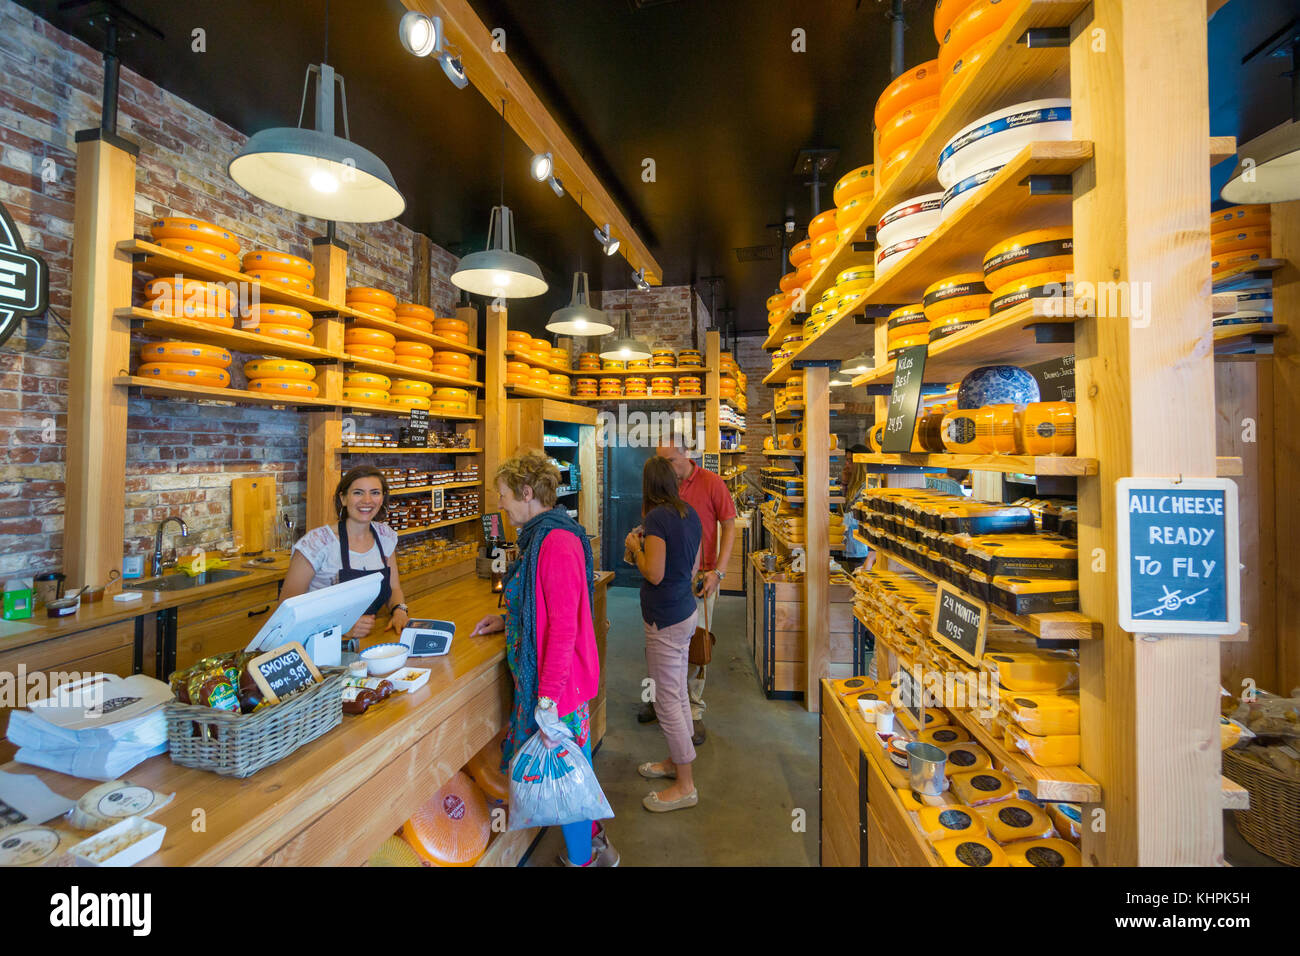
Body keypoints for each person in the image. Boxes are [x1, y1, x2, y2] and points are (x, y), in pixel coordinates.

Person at [469, 450, 616, 867]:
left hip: (561, 687)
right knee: (573, 764)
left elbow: (563, 628)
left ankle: (584, 860)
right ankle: (595, 843)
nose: (499, 503)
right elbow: (541, 609)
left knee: (567, 776)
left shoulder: (556, 542)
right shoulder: (541, 536)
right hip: (558, 685)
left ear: (527, 492)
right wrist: (506, 622)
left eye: (503, 495)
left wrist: (548, 698)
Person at [637, 434, 737, 743]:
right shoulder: (662, 492)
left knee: (696, 646)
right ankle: (659, 699)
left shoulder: (711, 482)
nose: (665, 466)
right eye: (661, 461)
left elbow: (729, 525)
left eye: (669, 460)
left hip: (700, 578)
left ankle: (693, 710)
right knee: (662, 647)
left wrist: (718, 572)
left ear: (686, 454)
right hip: (669, 582)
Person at [625, 455, 702, 812]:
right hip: (684, 610)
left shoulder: (656, 518)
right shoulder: (690, 513)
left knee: (666, 701)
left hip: (665, 618)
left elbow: (653, 573)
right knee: (678, 695)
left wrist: (635, 547)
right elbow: (692, 568)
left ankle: (685, 785)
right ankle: (676, 761)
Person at [281, 466, 410, 640]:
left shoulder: (385, 536)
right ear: (343, 498)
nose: (367, 500)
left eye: (375, 493)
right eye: (358, 493)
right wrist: (340, 627)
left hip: (369, 641)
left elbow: (394, 588)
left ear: (382, 499)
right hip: (319, 645)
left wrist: (399, 610)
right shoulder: (316, 543)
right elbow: (287, 608)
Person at [838, 444, 875, 571]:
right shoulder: (854, 485)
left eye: (850, 461)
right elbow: (842, 508)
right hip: (850, 547)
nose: (846, 464)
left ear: (860, 464)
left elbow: (856, 516)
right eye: (846, 460)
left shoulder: (867, 487)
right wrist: (844, 483)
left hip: (859, 550)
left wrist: (832, 522)